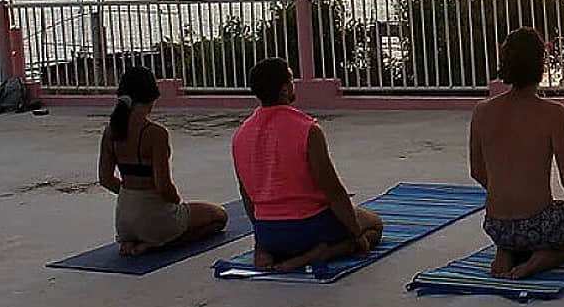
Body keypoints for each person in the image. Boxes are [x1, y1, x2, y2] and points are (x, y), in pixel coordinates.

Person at [470, 28, 564, 279]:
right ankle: (545, 259)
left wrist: (507, 193)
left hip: (496, 225)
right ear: (540, 65)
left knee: (527, 224)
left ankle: (507, 249)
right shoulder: (553, 113)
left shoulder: (482, 111)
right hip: (537, 222)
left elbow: (477, 171)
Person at [232, 58, 383, 272]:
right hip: (308, 226)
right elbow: (332, 190)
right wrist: (355, 232)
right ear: (285, 90)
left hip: (269, 231)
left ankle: (268, 251)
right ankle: (321, 254)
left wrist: (261, 236)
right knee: (374, 224)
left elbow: (246, 195)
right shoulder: (307, 130)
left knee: (281, 234)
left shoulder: (241, 134)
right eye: (292, 79)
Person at [97, 66, 228, 256]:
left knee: (178, 217)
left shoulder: (111, 132)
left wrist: (131, 193)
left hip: (124, 219)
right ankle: (156, 244)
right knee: (219, 217)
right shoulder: (155, 134)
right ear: (151, 95)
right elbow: (163, 186)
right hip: (155, 217)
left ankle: (134, 242)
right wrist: (176, 202)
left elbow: (105, 179)